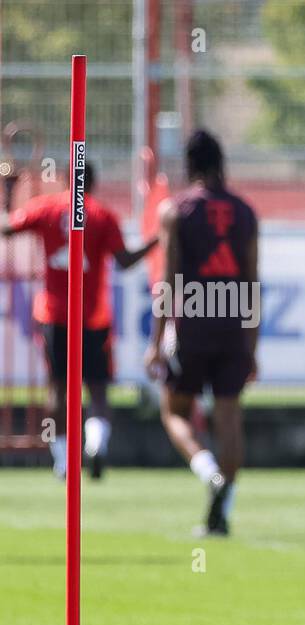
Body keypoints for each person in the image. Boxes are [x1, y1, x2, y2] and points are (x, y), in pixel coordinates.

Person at [3, 163, 157, 479]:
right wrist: (157, 239)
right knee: (97, 389)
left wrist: (8, 192)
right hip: (93, 317)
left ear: (67, 179)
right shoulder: (102, 215)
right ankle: (96, 444)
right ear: (94, 182)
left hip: (54, 314)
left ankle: (62, 461)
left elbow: (8, 227)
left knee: (57, 388)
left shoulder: (46, 208)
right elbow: (125, 260)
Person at [144, 129, 259, 536]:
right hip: (232, 325)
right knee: (229, 418)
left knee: (174, 411)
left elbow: (168, 279)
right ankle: (222, 512)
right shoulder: (245, 212)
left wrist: (156, 342)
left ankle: (209, 471)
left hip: (192, 323)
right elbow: (252, 281)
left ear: (189, 164)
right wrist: (252, 344)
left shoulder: (176, 210)